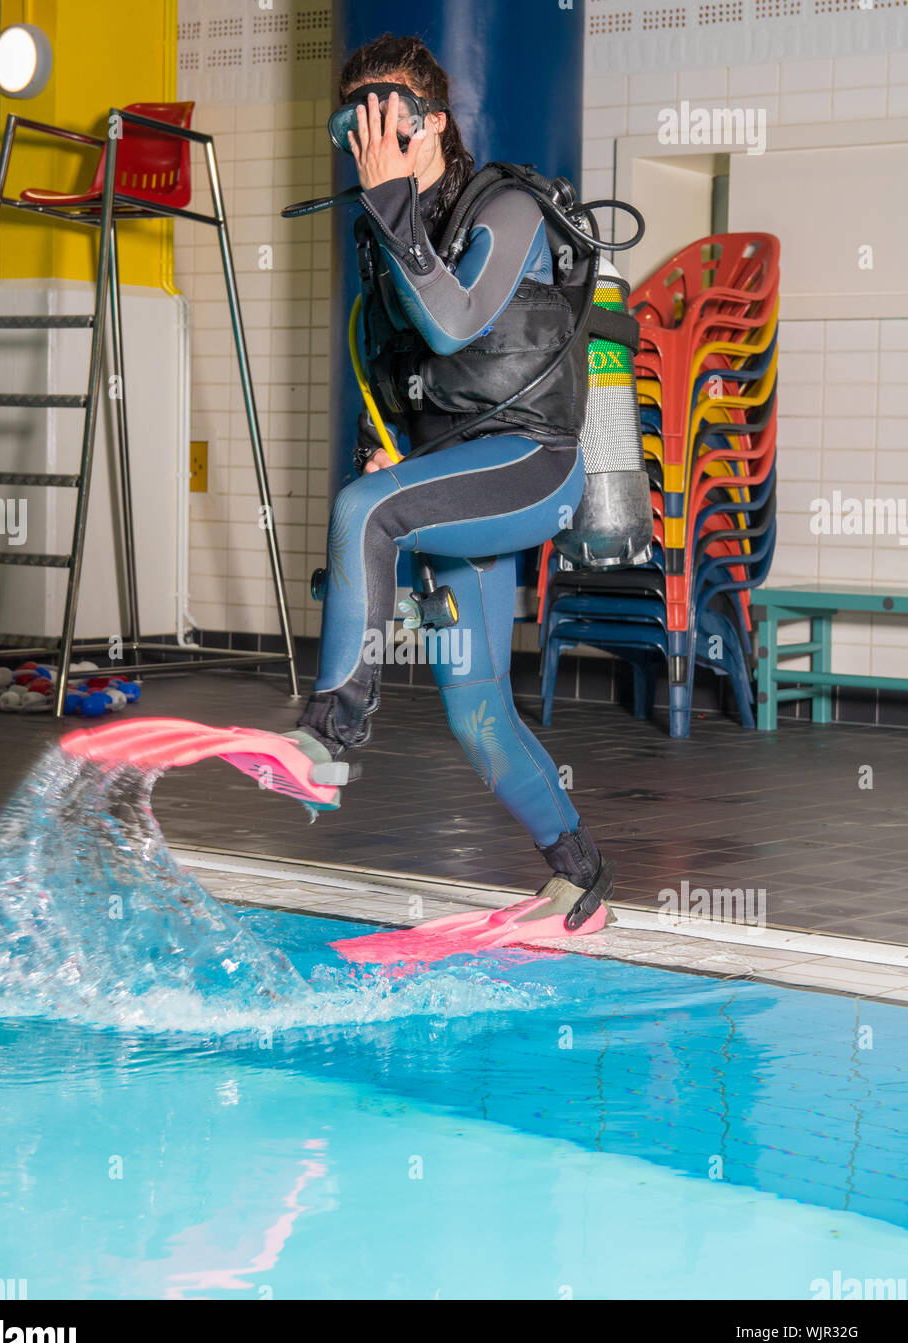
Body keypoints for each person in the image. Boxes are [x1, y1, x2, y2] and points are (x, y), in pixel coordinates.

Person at [286, 34, 612, 930]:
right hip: (456, 483)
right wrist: (384, 449)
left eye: (382, 121)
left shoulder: (505, 206)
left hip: (532, 468)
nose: (365, 141)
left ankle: (327, 734)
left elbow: (453, 321)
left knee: (364, 513)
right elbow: (389, 372)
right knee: (476, 718)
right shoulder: (382, 241)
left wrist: (390, 206)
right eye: (351, 125)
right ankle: (579, 877)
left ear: (427, 124)